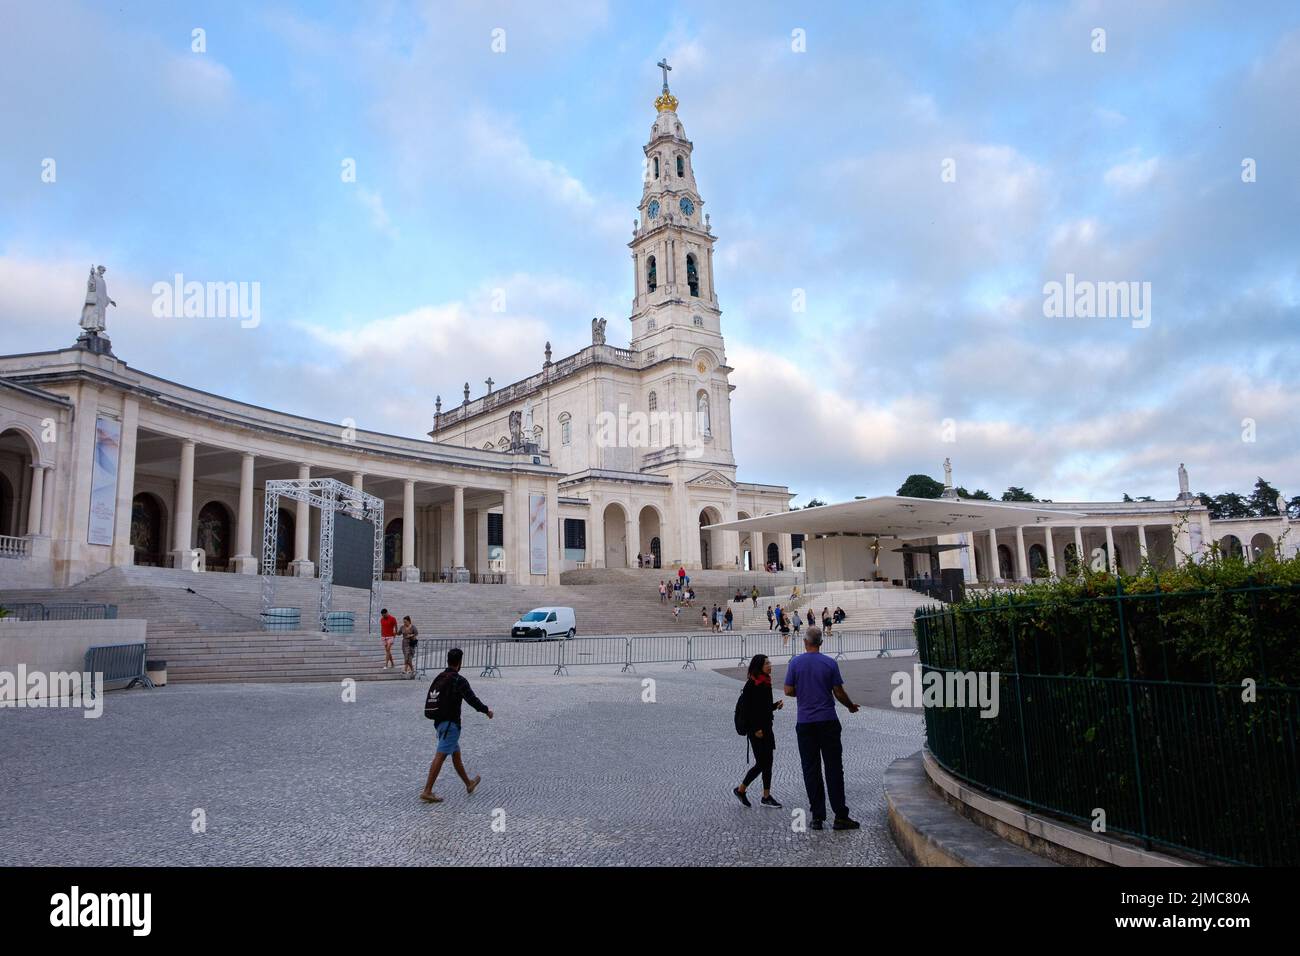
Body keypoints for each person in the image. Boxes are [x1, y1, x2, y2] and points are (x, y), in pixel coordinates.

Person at [783, 627, 860, 830]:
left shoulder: (795, 663)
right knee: (834, 768)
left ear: (805, 642)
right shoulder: (829, 663)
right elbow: (838, 691)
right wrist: (851, 706)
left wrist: (805, 692)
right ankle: (841, 815)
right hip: (827, 721)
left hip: (805, 723)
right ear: (821, 643)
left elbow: (788, 690)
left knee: (811, 769)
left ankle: (817, 817)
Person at [420, 647, 493, 803]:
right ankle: (427, 790)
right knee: (440, 756)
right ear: (460, 662)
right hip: (450, 725)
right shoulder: (458, 680)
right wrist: (486, 711)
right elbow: (471, 699)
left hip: (439, 723)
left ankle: (469, 783)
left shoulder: (440, 676)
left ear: (448, 660)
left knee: (456, 755)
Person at [733, 654, 784, 809]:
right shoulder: (752, 684)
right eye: (767, 663)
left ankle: (766, 796)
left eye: (770, 662)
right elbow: (748, 710)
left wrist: (775, 706)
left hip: (767, 727)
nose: (770, 665)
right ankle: (741, 789)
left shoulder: (765, 682)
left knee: (768, 762)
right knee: (762, 763)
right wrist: (755, 730)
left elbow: (763, 707)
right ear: (759, 666)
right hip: (756, 730)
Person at [399, 615, 419, 679]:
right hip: (404, 644)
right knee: (406, 657)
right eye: (404, 622)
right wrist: (395, 632)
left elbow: (416, 633)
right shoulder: (402, 627)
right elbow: (399, 633)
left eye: (405, 622)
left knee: (409, 658)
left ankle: (409, 670)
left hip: (411, 644)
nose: (404, 623)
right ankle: (412, 671)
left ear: (409, 621)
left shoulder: (413, 627)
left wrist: (410, 635)